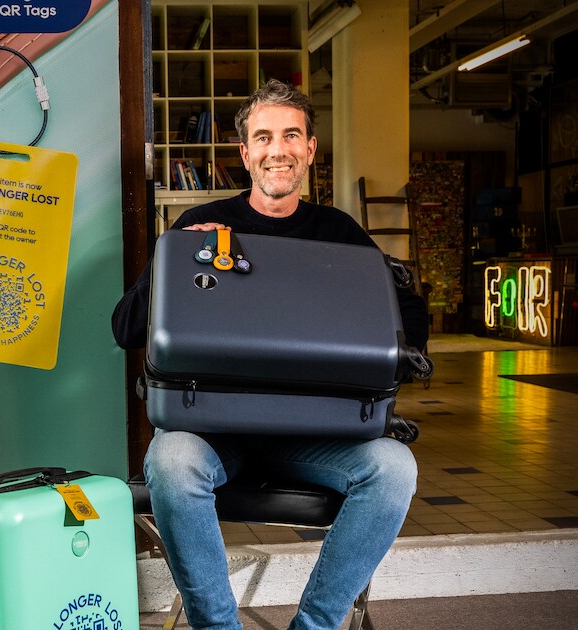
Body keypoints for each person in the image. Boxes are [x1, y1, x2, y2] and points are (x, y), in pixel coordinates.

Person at [111, 79, 429, 630]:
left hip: (313, 436)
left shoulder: (340, 234)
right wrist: (178, 261)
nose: (276, 149)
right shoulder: (198, 225)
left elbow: (410, 315)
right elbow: (125, 327)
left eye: (290, 136)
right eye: (263, 137)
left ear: (309, 148)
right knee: (171, 459)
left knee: (395, 468)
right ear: (244, 152)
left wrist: (398, 354)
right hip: (211, 433)